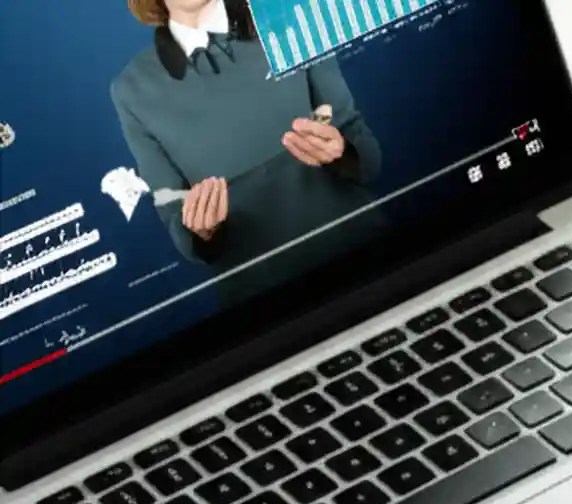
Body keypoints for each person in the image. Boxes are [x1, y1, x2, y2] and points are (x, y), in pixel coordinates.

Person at [112, 0, 385, 305]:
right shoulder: (132, 90)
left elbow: (368, 156)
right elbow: (178, 220)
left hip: (366, 265)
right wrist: (202, 231)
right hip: (261, 301)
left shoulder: (290, 20)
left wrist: (342, 152)